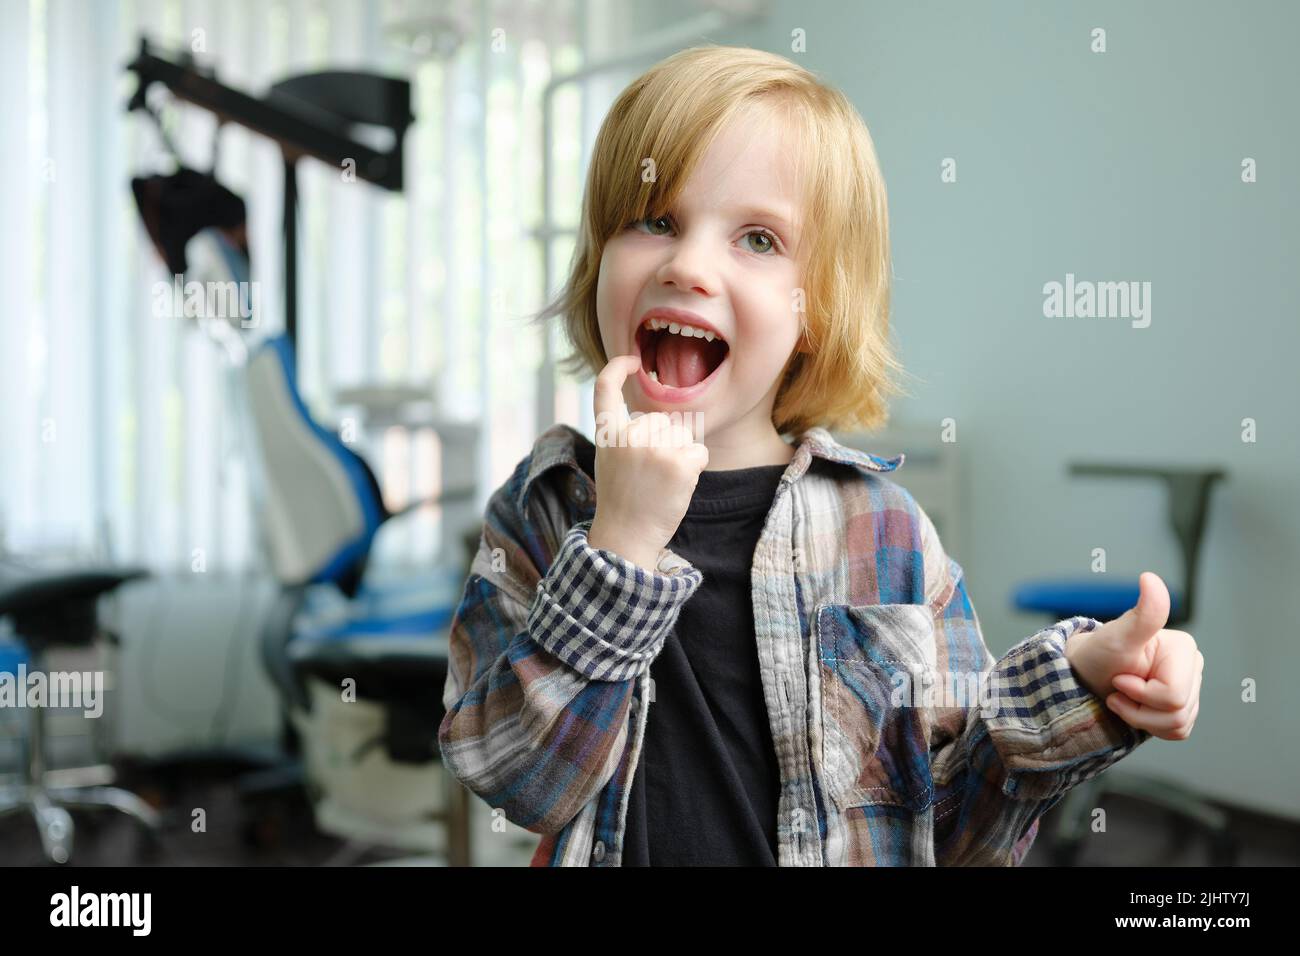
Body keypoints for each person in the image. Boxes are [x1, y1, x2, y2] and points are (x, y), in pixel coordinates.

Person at [438, 45, 1203, 866]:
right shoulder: (544, 507)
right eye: (654, 221)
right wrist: (619, 546)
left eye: (758, 239)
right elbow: (513, 779)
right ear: (598, 262)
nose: (687, 265)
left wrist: (1081, 685)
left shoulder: (888, 532)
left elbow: (953, 832)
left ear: (817, 311)